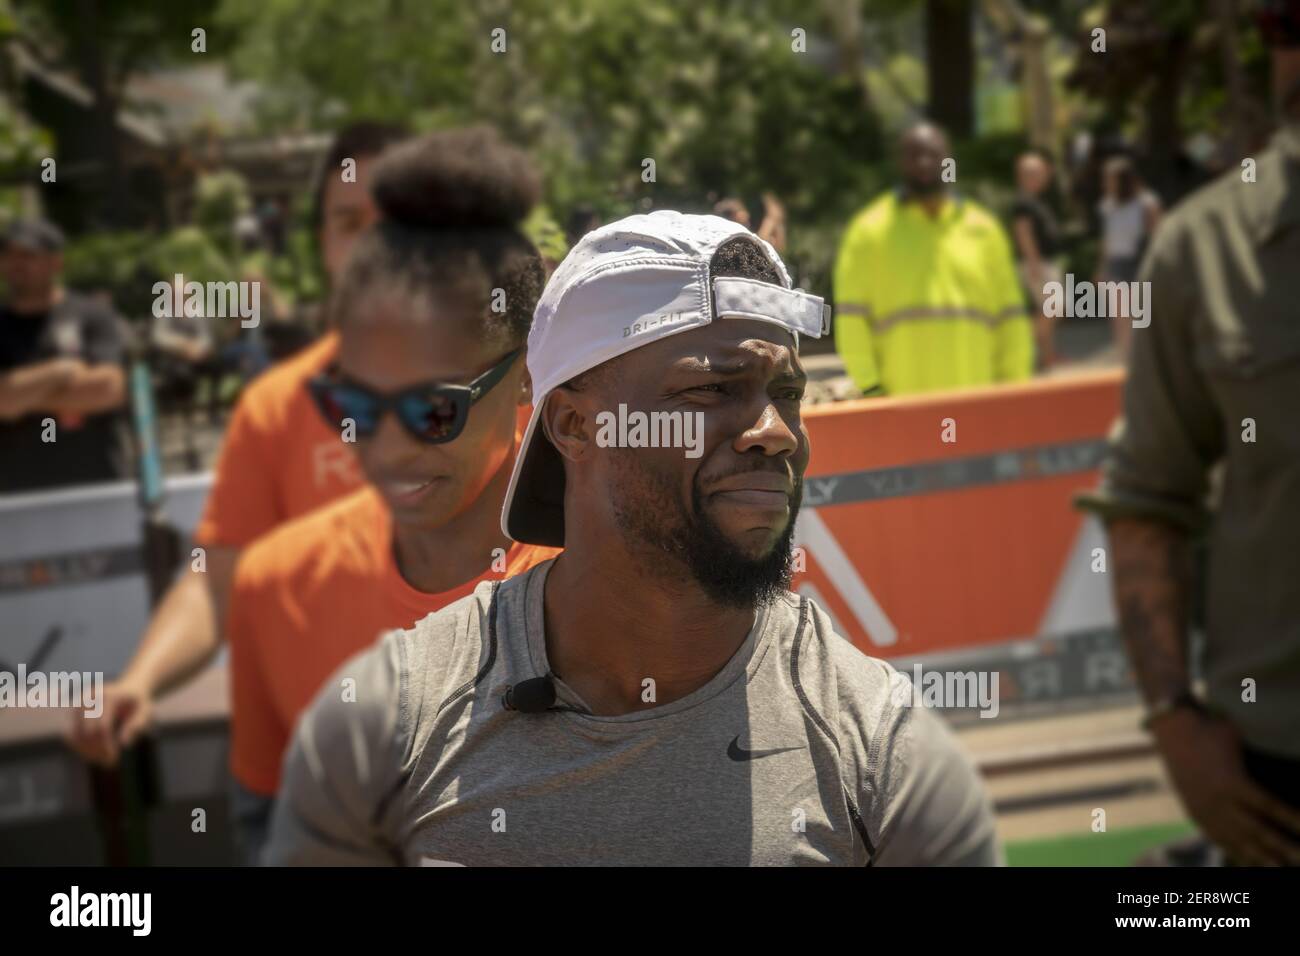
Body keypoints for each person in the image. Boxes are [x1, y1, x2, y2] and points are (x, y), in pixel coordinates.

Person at [265, 211, 1000, 866]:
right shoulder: (387, 726)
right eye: (711, 389)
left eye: (785, 394)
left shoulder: (878, 747)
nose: (775, 433)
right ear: (575, 425)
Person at [225, 127, 558, 863]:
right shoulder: (278, 589)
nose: (387, 448)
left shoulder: (619, 579)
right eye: (356, 407)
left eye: (431, 411)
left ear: (527, 374)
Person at [66, 120, 408, 767]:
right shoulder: (275, 407)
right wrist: (140, 681)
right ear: (324, 245)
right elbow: (215, 583)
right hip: (320, 781)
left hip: (488, 777)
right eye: (349, 221)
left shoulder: (518, 388)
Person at [1076, 11, 1300, 866]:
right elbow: (1145, 500)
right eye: (1284, 24)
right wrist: (1174, 721)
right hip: (1277, 787)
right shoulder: (1207, 249)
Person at [833, 121, 1033, 396]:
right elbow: (852, 320)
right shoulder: (868, 232)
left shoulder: (984, 230)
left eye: (933, 154)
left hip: (978, 401)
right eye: (914, 155)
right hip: (901, 405)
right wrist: (871, 388)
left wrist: (1014, 387)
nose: (924, 163)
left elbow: (1010, 317)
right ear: (901, 163)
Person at [0, 220, 131, 494]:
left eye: (28, 256)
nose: (16, 264)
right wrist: (62, 371)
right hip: (16, 495)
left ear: (56, 263)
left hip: (98, 483)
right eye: (8, 255)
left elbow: (109, 389)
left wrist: (20, 398)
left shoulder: (92, 315)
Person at [1095, 155, 1161, 359]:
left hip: (1139, 262)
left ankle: (1145, 360)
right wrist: (1101, 268)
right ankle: (1125, 360)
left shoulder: (1146, 202)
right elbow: (1107, 239)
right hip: (1116, 262)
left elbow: (1158, 234)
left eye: (1110, 178)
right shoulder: (1107, 205)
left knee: (1141, 317)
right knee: (1119, 316)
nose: (1106, 182)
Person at [1010, 151, 1063, 370]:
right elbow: (1023, 232)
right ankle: (1024, 346)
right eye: (1037, 172)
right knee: (1054, 308)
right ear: (1024, 175)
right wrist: (1034, 264)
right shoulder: (1023, 202)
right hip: (1038, 264)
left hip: (1044, 263)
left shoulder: (1034, 200)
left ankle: (1047, 356)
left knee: (1049, 309)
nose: (1043, 176)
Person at [713, 192, 786, 252]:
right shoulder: (736, 238)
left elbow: (779, 245)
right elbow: (760, 242)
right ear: (734, 216)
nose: (746, 215)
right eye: (741, 211)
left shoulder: (747, 231)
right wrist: (771, 219)